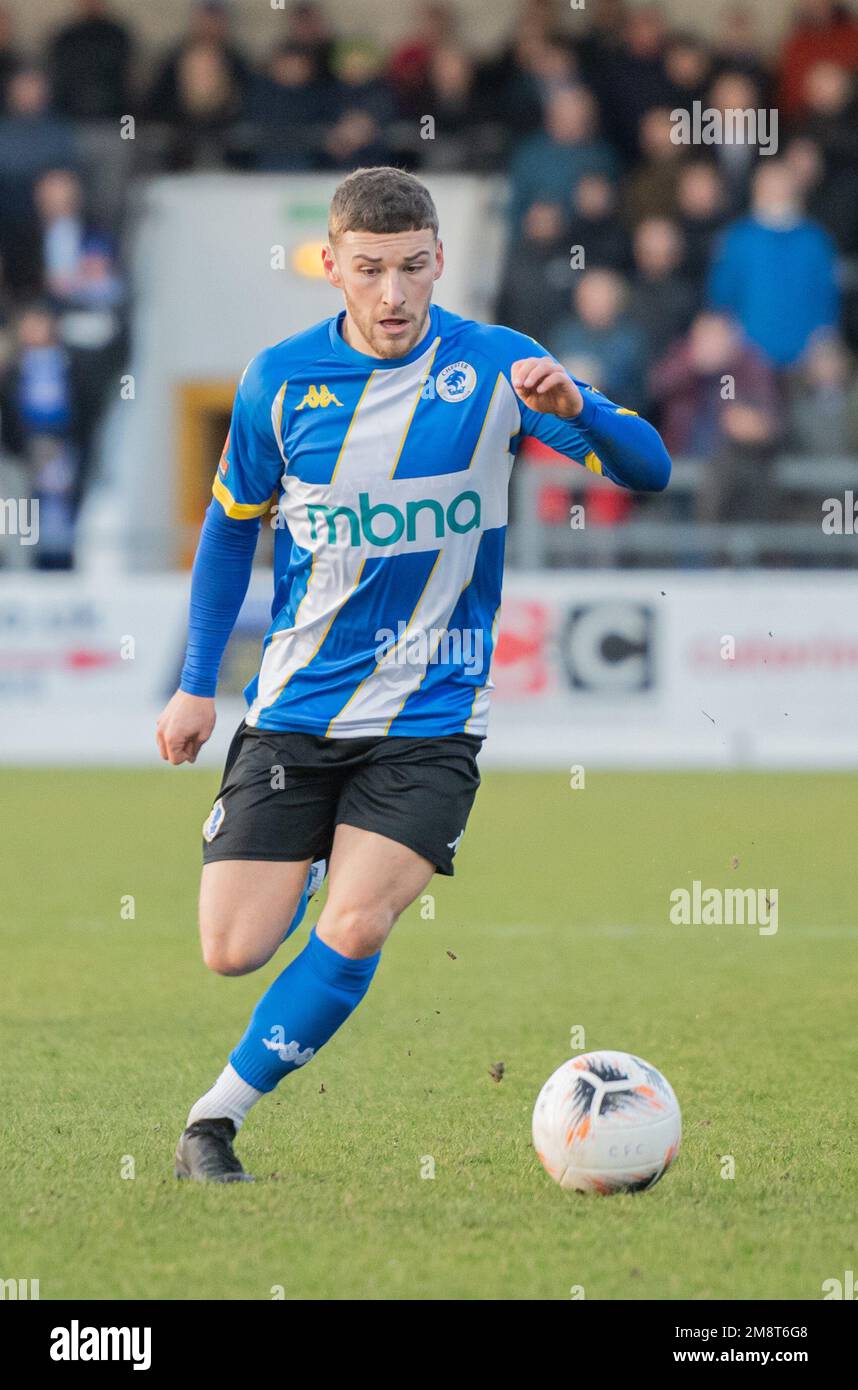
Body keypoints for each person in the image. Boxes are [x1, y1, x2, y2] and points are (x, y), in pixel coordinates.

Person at [156, 166, 671, 1183]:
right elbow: (228, 533)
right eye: (370, 270)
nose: (394, 293)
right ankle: (310, 854)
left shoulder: (501, 367)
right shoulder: (278, 381)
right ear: (333, 268)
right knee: (232, 949)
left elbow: (647, 470)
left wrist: (585, 413)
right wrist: (195, 681)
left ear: (440, 261)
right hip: (296, 709)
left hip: (434, 712)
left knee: (355, 922)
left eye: (414, 268)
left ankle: (212, 1123)